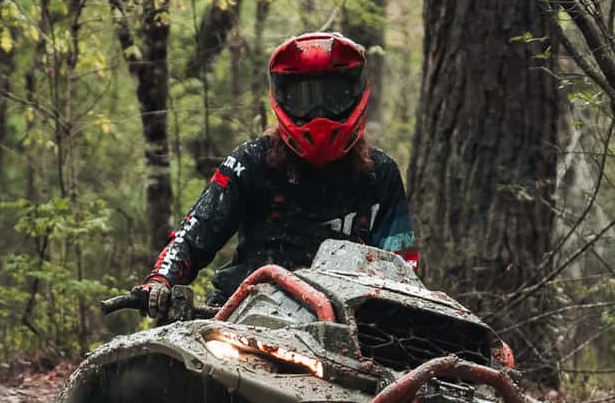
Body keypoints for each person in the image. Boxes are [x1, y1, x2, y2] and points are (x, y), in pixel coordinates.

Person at [137, 31, 418, 321]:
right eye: (304, 99)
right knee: (168, 360)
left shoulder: (381, 174)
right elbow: (195, 233)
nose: (318, 114)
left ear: (356, 94)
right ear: (283, 98)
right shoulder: (249, 162)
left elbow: (402, 272)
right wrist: (161, 280)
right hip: (243, 316)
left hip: (344, 328)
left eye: (332, 97)